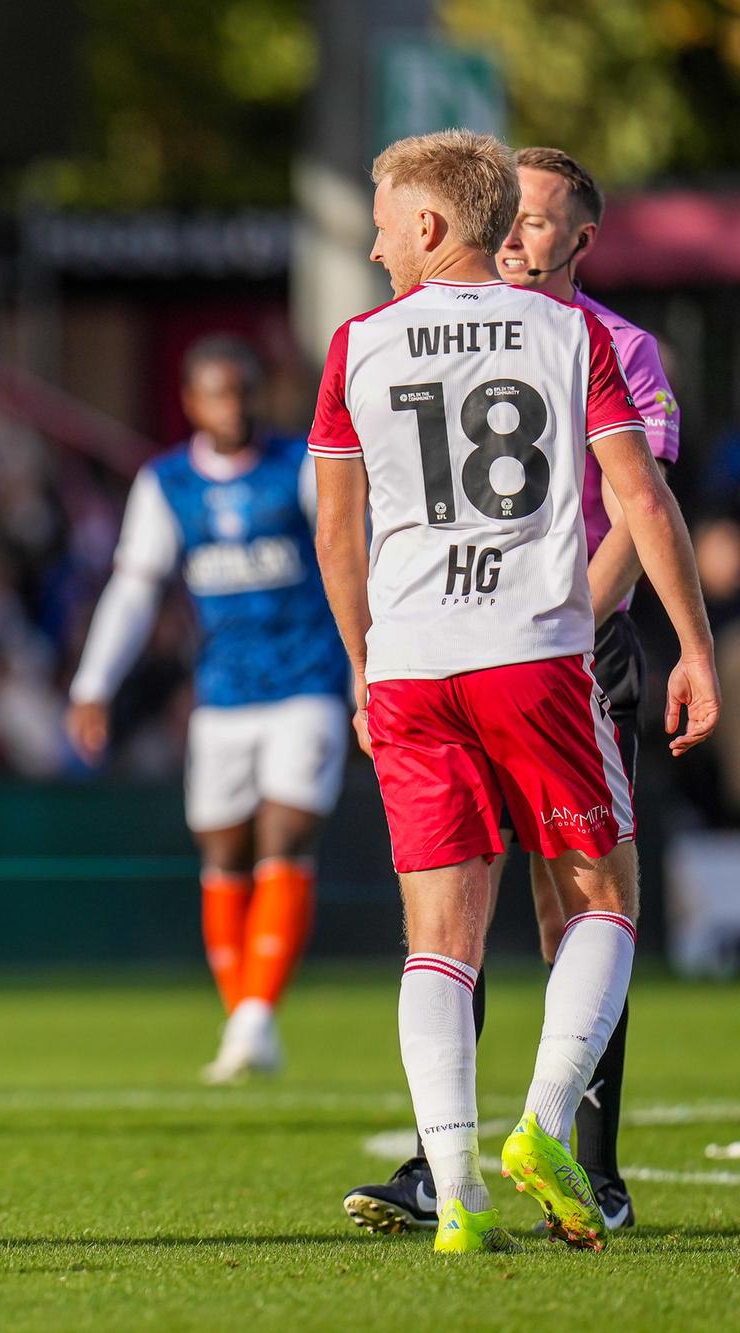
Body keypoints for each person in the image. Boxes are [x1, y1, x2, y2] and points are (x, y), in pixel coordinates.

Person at [309, 131, 716, 1253]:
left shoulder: (353, 343)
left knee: (435, 939)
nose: (376, 237)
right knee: (598, 902)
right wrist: (693, 645)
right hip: (534, 651)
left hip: (406, 663)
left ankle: (455, 1196)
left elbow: (336, 531)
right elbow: (634, 495)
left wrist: (356, 659)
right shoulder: (572, 331)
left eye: (386, 217)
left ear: (432, 226)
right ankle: (543, 1126)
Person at [67, 335, 347, 1083]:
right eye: (219, 393)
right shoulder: (166, 484)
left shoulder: (302, 466)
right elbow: (134, 588)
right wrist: (94, 684)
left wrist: (366, 671)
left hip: (308, 682)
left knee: (285, 836)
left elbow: (351, 559)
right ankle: (246, 1016)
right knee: (223, 853)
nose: (235, 405)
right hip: (223, 693)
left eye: (245, 390)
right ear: (191, 402)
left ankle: (254, 1016)